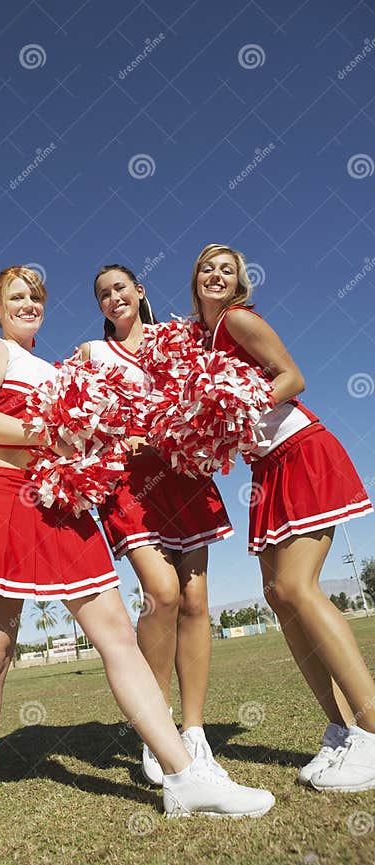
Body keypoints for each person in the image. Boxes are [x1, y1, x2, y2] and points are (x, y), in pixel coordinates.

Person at [0, 265, 274, 840]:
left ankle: (183, 774)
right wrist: (52, 432)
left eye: (35, 297)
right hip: (2, 498)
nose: (28, 304)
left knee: (118, 634)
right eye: (15, 297)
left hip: (61, 506)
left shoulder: (57, 368)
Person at [192, 243, 375, 791]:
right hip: (267, 468)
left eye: (229, 269)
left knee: (298, 586)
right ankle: (341, 732)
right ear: (195, 278)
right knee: (277, 594)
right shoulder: (202, 342)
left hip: (302, 452)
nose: (219, 275)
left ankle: (372, 729)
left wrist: (233, 413)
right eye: (209, 267)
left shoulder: (237, 320)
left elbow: (292, 378)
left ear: (239, 283)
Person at [78, 264, 234, 786]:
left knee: (195, 602)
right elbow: (75, 415)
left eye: (120, 287)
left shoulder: (178, 337)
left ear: (140, 291)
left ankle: (193, 731)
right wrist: (113, 444)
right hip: (129, 484)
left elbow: (211, 386)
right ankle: (157, 721)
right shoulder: (91, 353)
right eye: (103, 294)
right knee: (162, 594)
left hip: (185, 472)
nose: (112, 297)